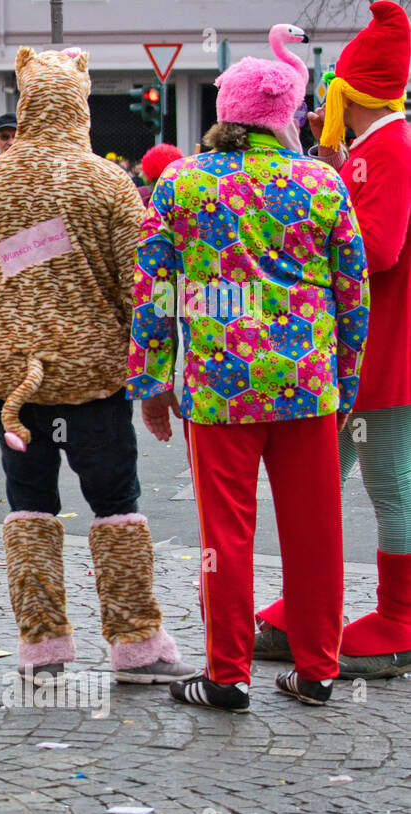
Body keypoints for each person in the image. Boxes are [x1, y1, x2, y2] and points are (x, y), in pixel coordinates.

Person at [130, 54, 369, 711]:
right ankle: (319, 669)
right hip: (305, 384)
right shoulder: (321, 185)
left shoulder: (180, 184)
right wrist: (345, 380)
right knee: (316, 530)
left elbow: (154, 290)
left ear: (224, 113)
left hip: (218, 387)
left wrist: (152, 382)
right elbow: (353, 292)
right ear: (286, 115)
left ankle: (227, 674)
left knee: (224, 536)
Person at [0, 46, 196, 686]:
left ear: (28, 104)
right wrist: (142, 360)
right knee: (115, 502)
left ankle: (43, 644)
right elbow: (137, 283)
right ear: (80, 105)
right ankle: (137, 641)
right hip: (91, 374)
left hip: (16, 382)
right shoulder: (107, 182)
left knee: (28, 505)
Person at [254, 1, 411, 679]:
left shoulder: (390, 150)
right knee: (324, 480)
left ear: (349, 90)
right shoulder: (374, 149)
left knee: (388, 485)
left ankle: (400, 618)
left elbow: (376, 246)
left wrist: (309, 231)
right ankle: (313, 607)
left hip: (385, 351)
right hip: (362, 350)